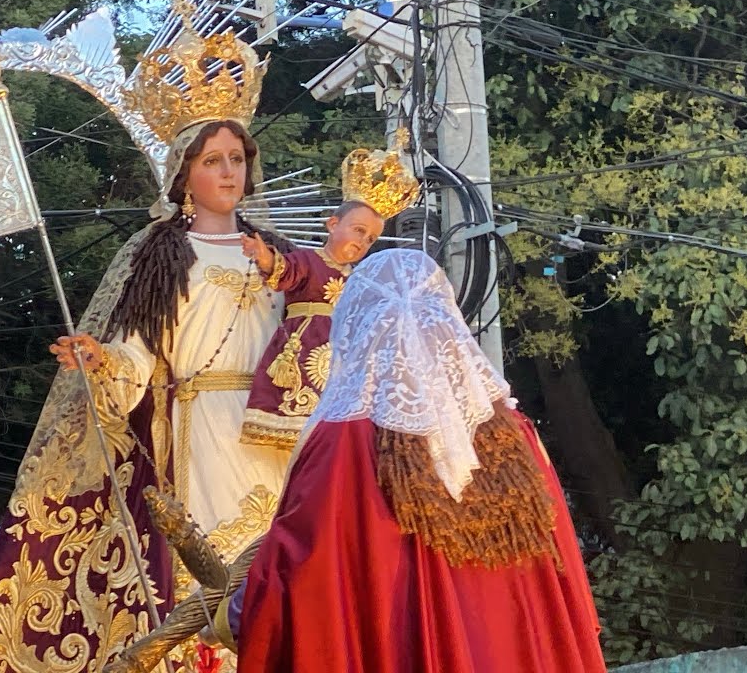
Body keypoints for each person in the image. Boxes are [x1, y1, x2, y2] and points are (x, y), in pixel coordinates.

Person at [0, 17, 289, 673]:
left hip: (280, 433)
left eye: (237, 159)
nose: (229, 172)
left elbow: (316, 337)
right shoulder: (160, 252)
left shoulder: (281, 256)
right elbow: (137, 354)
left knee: (285, 572)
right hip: (199, 431)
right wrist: (102, 361)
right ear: (183, 172)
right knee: (211, 580)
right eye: (213, 160)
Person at [237, 249, 607, 673]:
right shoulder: (514, 433)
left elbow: (307, 579)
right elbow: (566, 574)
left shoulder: (344, 442)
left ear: (357, 328)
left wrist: (240, 607)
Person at [238, 140, 420, 449]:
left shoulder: (363, 280)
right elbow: (285, 271)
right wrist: (265, 257)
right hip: (303, 350)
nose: (362, 242)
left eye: (371, 238)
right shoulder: (309, 260)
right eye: (358, 230)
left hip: (345, 358)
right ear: (333, 224)